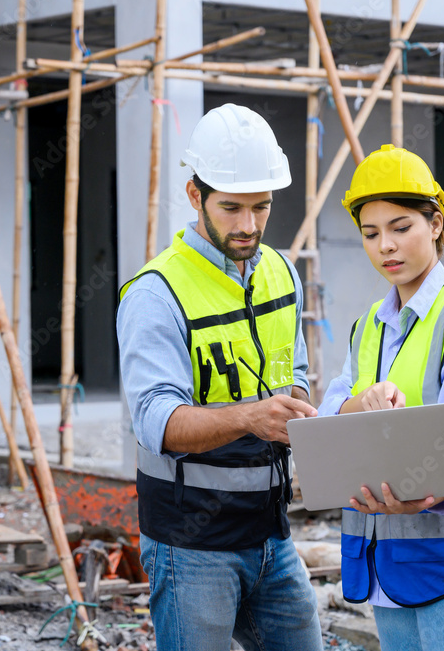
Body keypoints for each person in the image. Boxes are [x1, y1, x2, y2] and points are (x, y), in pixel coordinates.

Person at [116, 103, 323, 651]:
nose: (248, 225)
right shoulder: (156, 294)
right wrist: (253, 417)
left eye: (261, 207)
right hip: (191, 545)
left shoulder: (280, 271)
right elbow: (157, 422)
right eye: (231, 208)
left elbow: (295, 373)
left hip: (271, 536)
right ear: (194, 195)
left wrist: (298, 406)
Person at [318, 144, 444, 651]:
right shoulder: (368, 328)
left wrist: (420, 494)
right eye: (370, 233)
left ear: (435, 224)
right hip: (391, 572)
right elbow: (328, 414)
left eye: (401, 227)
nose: (385, 245)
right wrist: (361, 404)